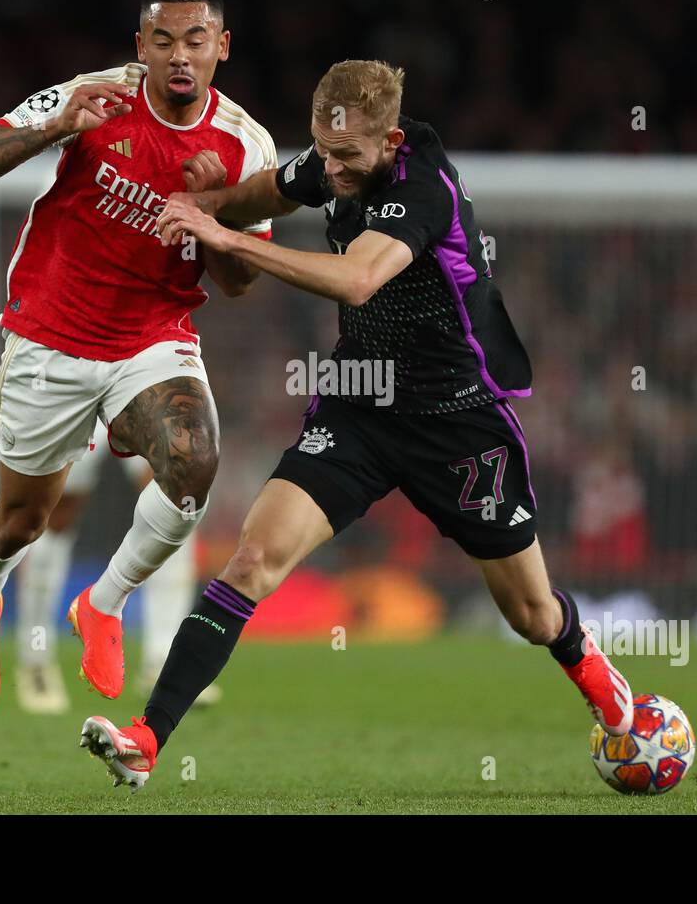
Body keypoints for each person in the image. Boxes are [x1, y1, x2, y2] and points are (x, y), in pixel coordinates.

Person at [77, 59, 633, 790]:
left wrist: (228, 237)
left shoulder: (422, 191)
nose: (330, 169)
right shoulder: (335, 161)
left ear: (392, 141)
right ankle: (148, 739)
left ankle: (594, 673)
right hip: (359, 408)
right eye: (322, 149)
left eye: (347, 157)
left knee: (531, 614)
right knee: (252, 560)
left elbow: (358, 278)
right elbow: (265, 188)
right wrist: (203, 197)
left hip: (457, 422)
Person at [0, 0, 275, 717]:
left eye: (195, 41)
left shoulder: (245, 147)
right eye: (163, 41)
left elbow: (242, 282)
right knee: (21, 523)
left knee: (193, 466)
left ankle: (103, 605)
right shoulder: (97, 95)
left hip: (152, 340)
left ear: (222, 47)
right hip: (50, 336)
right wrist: (55, 126)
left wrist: (214, 212)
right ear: (141, 48)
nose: (179, 56)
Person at [13, 420, 220, 714]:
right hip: (82, 388)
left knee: (174, 502)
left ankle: (163, 661)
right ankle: (35, 660)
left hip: (140, 387)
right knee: (57, 514)